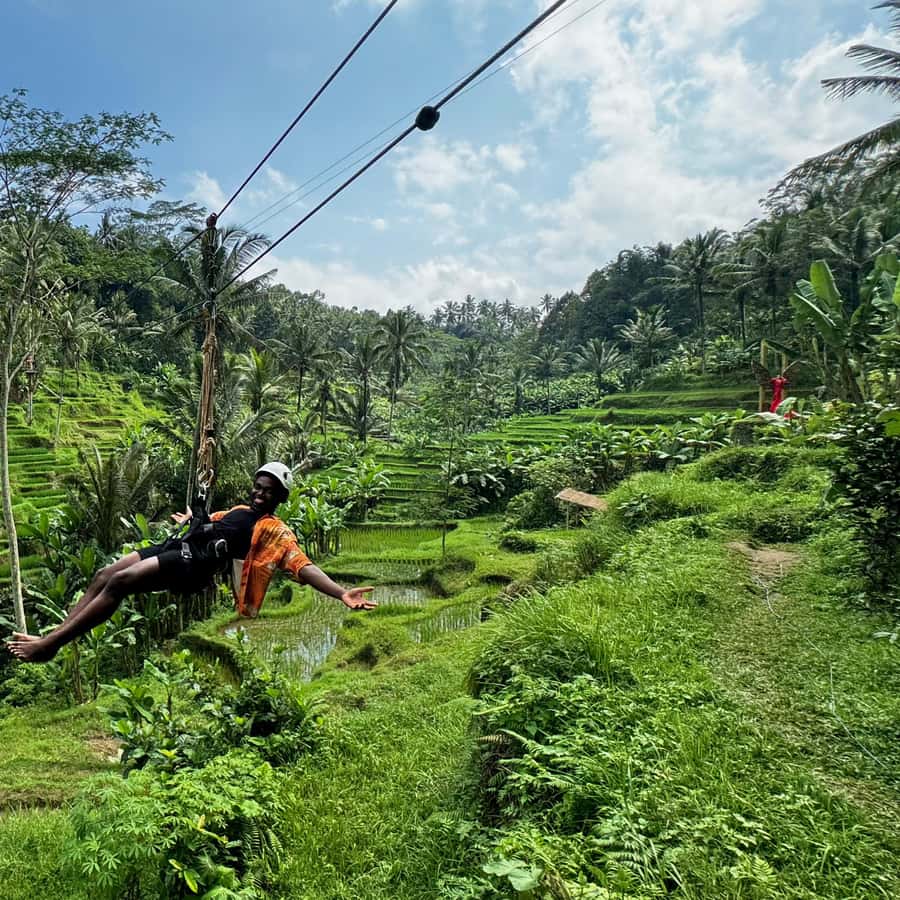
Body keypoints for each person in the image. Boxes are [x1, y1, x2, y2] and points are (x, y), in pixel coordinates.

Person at [7, 461, 375, 663]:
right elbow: (212, 522)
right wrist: (191, 519)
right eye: (258, 487)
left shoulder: (274, 531)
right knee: (105, 573)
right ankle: (51, 638)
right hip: (177, 546)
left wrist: (340, 593)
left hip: (192, 566)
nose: (260, 494)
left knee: (120, 583)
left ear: (280, 497)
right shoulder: (239, 510)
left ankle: (49, 646)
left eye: (269, 491)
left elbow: (302, 565)